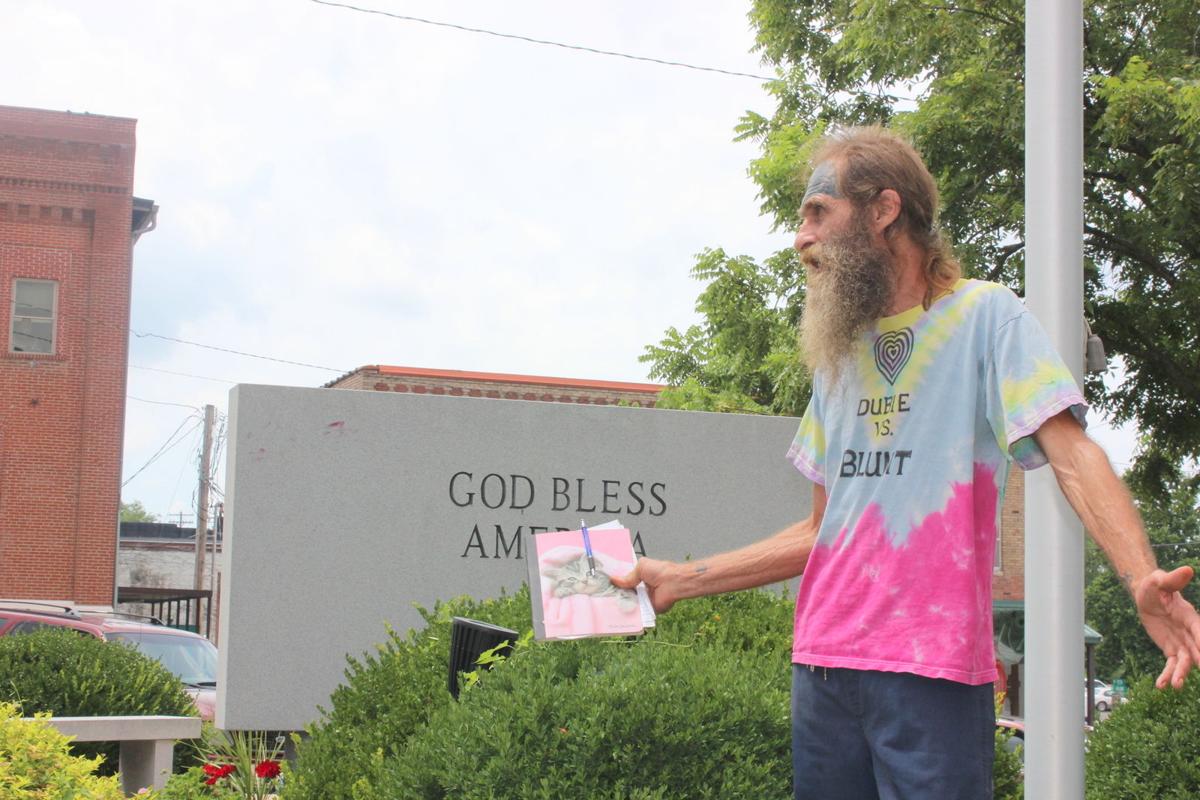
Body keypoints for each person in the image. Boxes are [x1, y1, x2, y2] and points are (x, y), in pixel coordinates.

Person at [612, 126, 1200, 800]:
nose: (801, 238)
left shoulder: (986, 317)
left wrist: (1139, 575)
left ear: (883, 210)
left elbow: (1072, 454)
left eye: (816, 213)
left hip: (933, 672)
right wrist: (682, 580)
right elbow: (822, 532)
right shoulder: (839, 356)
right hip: (824, 666)